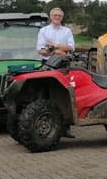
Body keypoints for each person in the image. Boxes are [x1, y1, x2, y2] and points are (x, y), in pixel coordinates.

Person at [36, 7, 76, 137]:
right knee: (46, 95)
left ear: (62, 17)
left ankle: (66, 128)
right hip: (48, 65)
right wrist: (59, 51)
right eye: (55, 15)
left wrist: (55, 46)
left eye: (59, 15)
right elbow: (41, 50)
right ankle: (48, 127)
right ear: (50, 16)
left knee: (65, 95)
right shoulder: (43, 31)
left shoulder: (67, 31)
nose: (57, 17)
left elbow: (71, 48)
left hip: (63, 66)